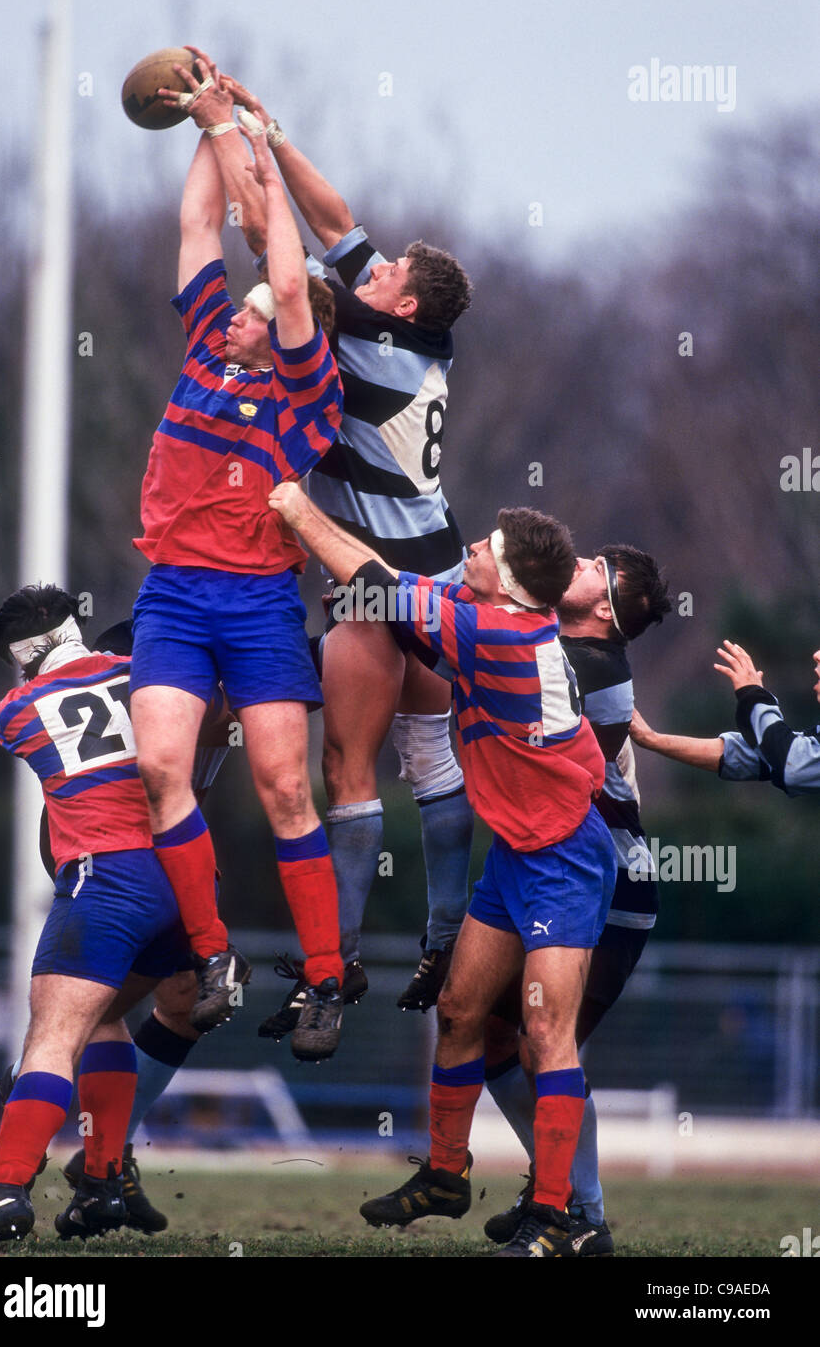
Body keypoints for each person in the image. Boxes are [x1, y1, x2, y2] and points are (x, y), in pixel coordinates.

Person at [267, 481, 616, 1258]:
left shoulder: (498, 637)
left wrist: (297, 510)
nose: (473, 548)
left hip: (565, 859)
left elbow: (379, 588)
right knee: (458, 1013)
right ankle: (448, 1174)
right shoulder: (495, 617)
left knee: (545, 1035)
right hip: (519, 854)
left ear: (515, 586)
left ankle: (562, 1221)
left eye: (486, 549)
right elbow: (395, 585)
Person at [212, 63, 476, 1018]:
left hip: (374, 578)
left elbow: (280, 247)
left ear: (399, 303)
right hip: (443, 567)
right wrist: (275, 133)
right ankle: (445, 941)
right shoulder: (425, 336)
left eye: (392, 270)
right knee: (433, 755)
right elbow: (338, 220)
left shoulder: (363, 332)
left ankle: (340, 963)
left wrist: (231, 142)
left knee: (347, 771)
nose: (377, 266)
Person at [130, 52, 346, 1059]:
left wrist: (241, 134)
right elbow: (193, 227)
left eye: (263, 309)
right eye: (249, 303)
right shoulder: (206, 340)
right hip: (173, 593)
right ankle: (213, 956)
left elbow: (293, 273)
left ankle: (328, 980)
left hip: (258, 599)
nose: (249, 310)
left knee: (282, 788)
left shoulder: (309, 391)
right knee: (158, 766)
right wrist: (203, 128)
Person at [0, 586, 199, 1243]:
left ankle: (7, 1189)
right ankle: (103, 1181)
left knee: (53, 1038)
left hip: (105, 879)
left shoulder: (15, 711)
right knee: (106, 1019)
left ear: (19, 657)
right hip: (183, 875)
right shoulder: (145, 676)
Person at [480, 546, 672, 1255]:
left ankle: (576, 1214)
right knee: (497, 1035)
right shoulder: (558, 647)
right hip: (557, 871)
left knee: (545, 1043)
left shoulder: (592, 669)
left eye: (598, 565)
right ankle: (555, 1190)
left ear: (604, 609)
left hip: (610, 883)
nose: (583, 558)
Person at [631, 639, 820, 792]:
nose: (816, 655)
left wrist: (754, 696)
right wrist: (652, 739)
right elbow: (749, 756)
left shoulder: (796, 759)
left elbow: (793, 764)